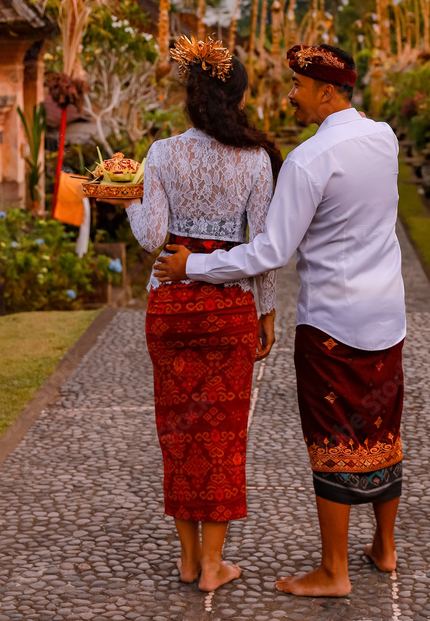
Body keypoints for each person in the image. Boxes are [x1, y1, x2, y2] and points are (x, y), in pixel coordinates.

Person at [156, 43, 406, 598]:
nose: (291, 95)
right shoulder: (383, 137)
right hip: (388, 308)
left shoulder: (310, 159)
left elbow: (270, 251)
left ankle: (334, 570)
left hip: (334, 319)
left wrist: (192, 264)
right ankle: (384, 547)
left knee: (334, 436)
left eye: (298, 85)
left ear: (327, 90)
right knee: (383, 426)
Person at [124, 35, 281, 592]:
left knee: (178, 431)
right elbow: (262, 247)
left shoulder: (162, 154)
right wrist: (267, 313)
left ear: (190, 97)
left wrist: (127, 195)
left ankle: (190, 560)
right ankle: (214, 565)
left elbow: (150, 237)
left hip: (169, 303)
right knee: (222, 435)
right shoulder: (256, 159)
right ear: (236, 100)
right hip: (230, 304)